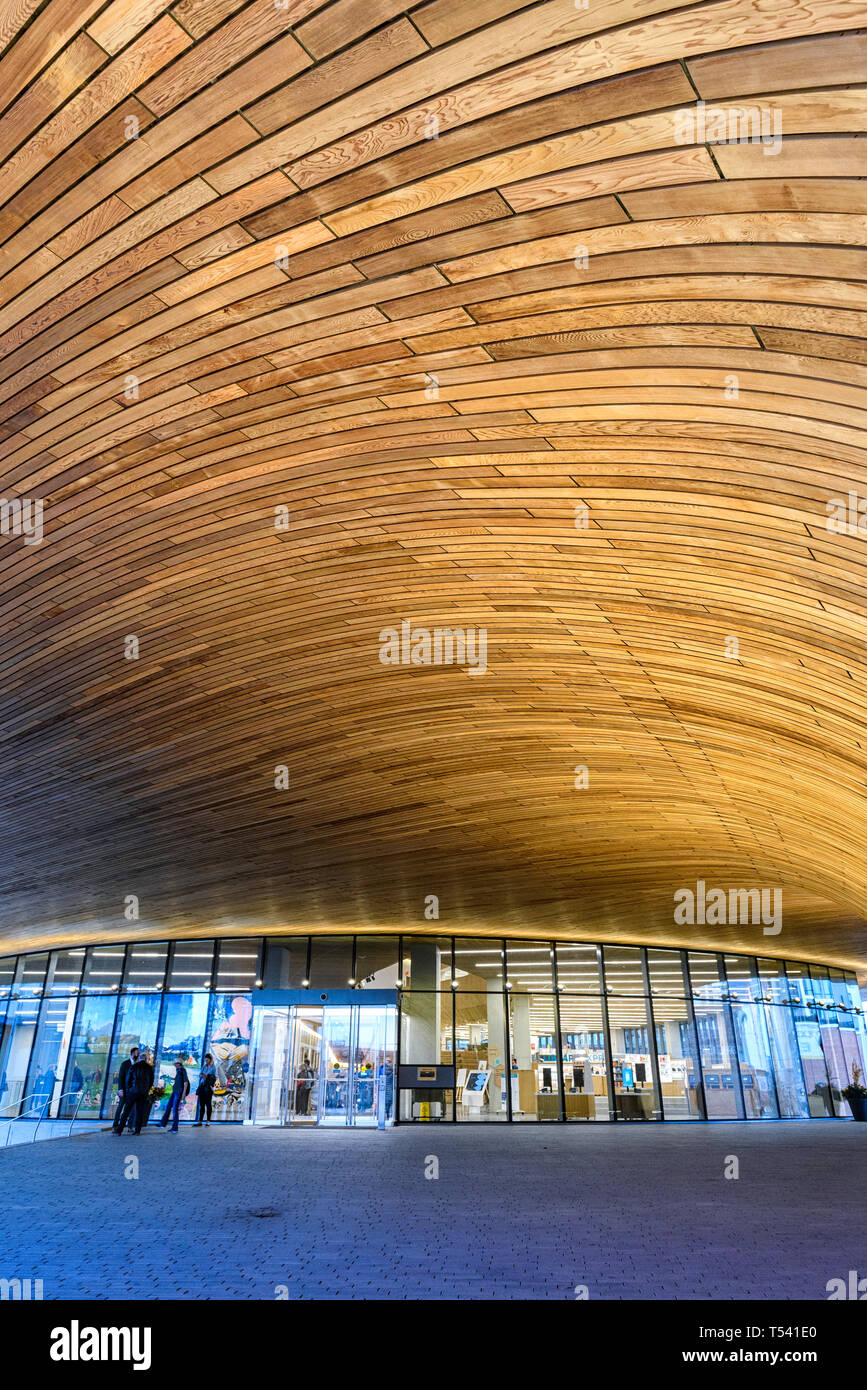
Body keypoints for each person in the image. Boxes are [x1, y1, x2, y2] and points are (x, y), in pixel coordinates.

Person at [113, 1048, 153, 1135]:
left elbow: (128, 1079)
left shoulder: (134, 1066)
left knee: (126, 1111)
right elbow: (151, 1081)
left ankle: (119, 1130)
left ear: (140, 1059)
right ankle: (137, 1131)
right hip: (143, 1093)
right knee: (139, 1111)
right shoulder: (149, 1068)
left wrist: (129, 1089)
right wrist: (146, 1089)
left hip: (133, 1092)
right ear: (146, 1059)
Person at [160, 1057, 190, 1133]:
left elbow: (185, 1083)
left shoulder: (182, 1070)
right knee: (169, 1106)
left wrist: (183, 1095)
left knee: (174, 1109)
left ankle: (175, 1128)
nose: (174, 1065)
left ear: (178, 1064)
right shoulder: (179, 1070)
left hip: (178, 1093)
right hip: (175, 1092)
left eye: (175, 1064)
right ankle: (163, 1123)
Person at [114, 1047, 140, 1133]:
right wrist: (120, 1089)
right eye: (137, 1053)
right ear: (132, 1053)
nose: (138, 1054)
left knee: (133, 1109)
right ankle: (115, 1126)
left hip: (133, 1091)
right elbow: (121, 1078)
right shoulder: (125, 1064)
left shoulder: (137, 1065)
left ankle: (130, 1126)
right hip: (124, 1091)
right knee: (120, 1107)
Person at [193, 1054, 216, 1127]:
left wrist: (207, 1075)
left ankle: (208, 1121)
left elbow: (214, 1077)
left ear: (210, 1059)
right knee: (201, 1104)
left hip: (208, 1087)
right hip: (202, 1086)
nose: (206, 1061)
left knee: (208, 1104)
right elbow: (200, 1075)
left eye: (207, 1060)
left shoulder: (213, 1067)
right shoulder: (204, 1066)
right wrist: (202, 1075)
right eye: (205, 1060)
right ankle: (200, 1121)